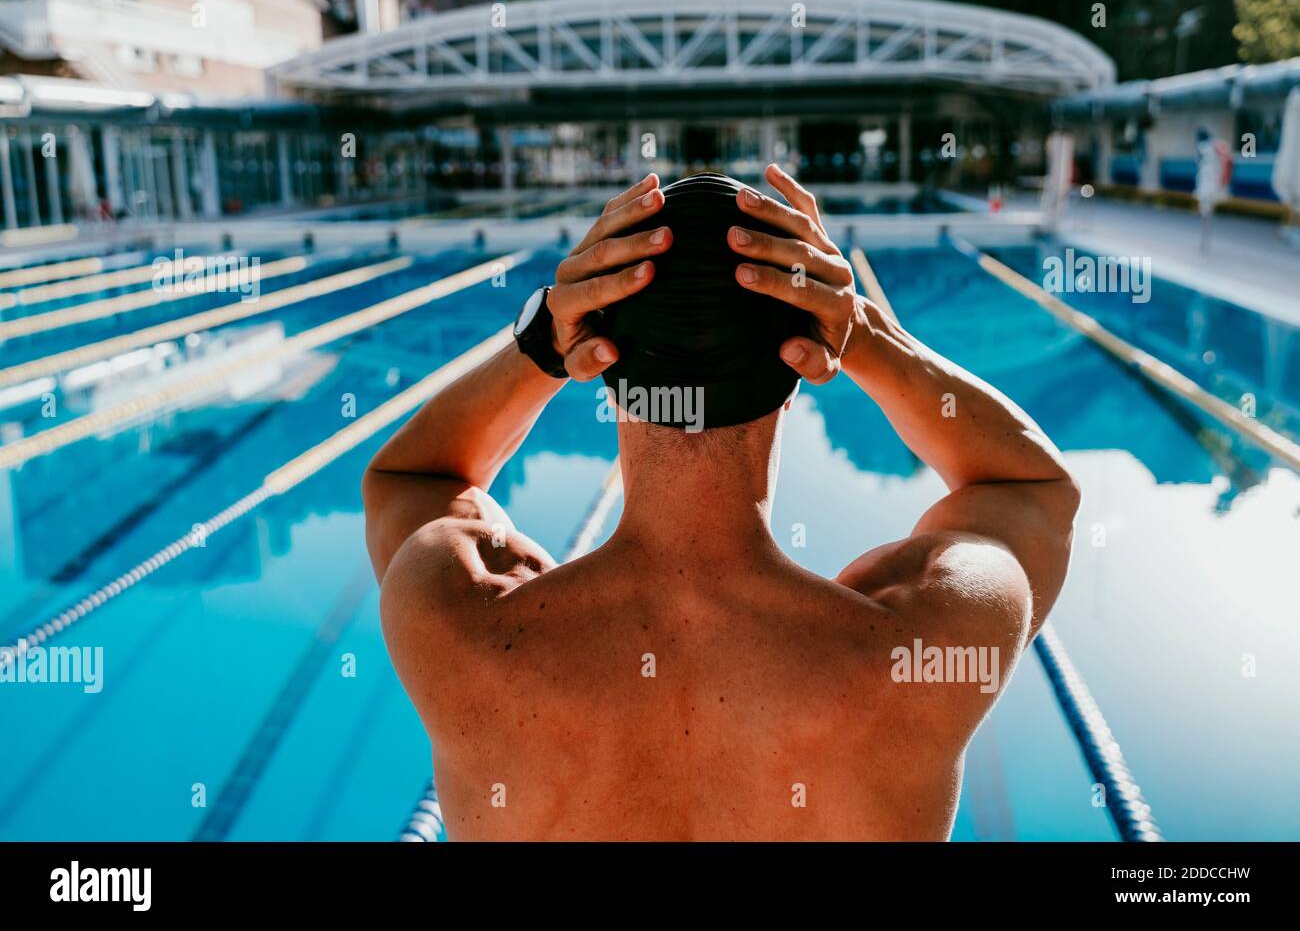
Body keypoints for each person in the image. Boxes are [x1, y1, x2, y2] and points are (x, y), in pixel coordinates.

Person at [363, 165, 1080, 840]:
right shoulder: (923, 652)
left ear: (602, 361)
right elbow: (1032, 490)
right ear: (799, 362)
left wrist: (544, 341)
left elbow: (411, 479)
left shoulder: (461, 626)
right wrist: (862, 334)